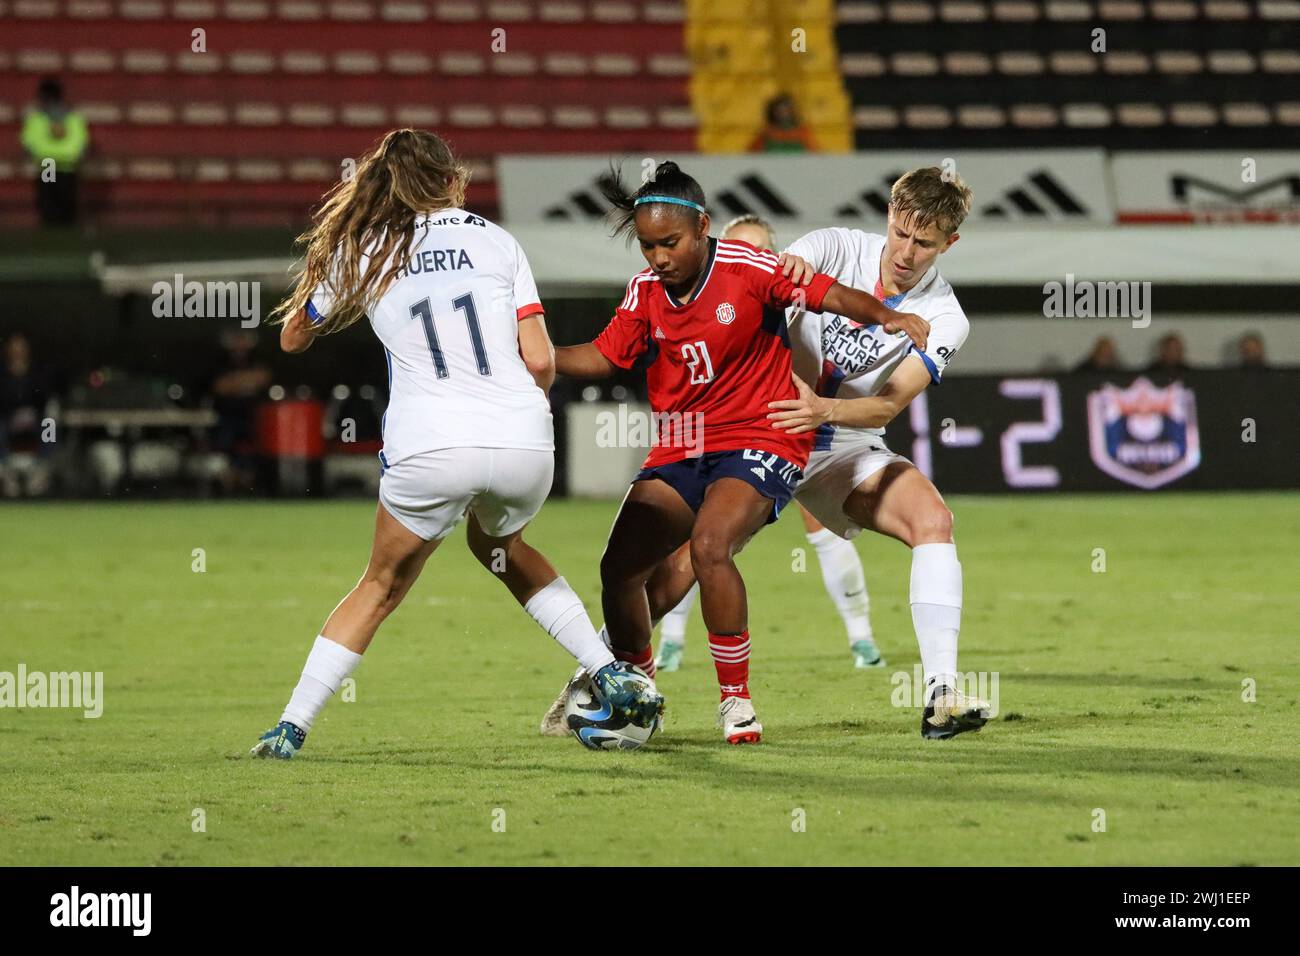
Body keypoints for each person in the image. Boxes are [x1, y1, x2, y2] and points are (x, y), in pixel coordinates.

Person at [250, 128, 662, 759]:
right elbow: (541, 359)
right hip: (524, 443)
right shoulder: (497, 240)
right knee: (499, 546)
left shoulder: (366, 250)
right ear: (452, 181)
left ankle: (290, 727)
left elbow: (294, 340)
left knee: (381, 585)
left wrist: (325, 289)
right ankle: (607, 669)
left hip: (432, 447)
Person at [568, 167, 991, 740]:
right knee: (688, 561)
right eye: (900, 233)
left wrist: (823, 411)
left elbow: (887, 406)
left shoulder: (947, 317)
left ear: (949, 244)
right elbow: (761, 281)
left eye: (925, 243)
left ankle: (941, 691)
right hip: (761, 425)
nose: (906, 252)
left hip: (843, 440)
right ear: (887, 219)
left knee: (934, 521)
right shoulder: (834, 245)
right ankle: (596, 671)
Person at [652, 213, 885, 674]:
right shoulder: (700, 305)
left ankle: (862, 639)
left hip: (796, 429)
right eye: (740, 248)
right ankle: (668, 642)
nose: (750, 258)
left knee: (822, 530)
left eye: (761, 250)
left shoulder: (792, 296)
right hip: (722, 431)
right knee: (701, 540)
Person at [19, 78, 89, 226]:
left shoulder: (40, 118)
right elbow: (81, 142)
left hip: (50, 163)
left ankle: (55, 228)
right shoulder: (72, 117)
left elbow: (29, 142)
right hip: (60, 164)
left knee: (55, 201)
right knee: (57, 201)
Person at [0, 332, 56, 496]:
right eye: (14, 347)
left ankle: (42, 469)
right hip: (7, 421)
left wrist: (32, 414)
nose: (18, 351)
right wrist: (14, 415)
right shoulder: (2, 373)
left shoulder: (37, 371)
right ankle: (5, 472)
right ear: (8, 350)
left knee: (50, 424)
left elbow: (46, 398)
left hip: (34, 421)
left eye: (21, 347)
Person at [750, 93, 816, 153]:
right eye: (779, 110)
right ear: (773, 112)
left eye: (786, 110)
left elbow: (815, 156)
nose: (783, 113)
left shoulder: (802, 133)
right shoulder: (766, 134)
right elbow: (751, 156)